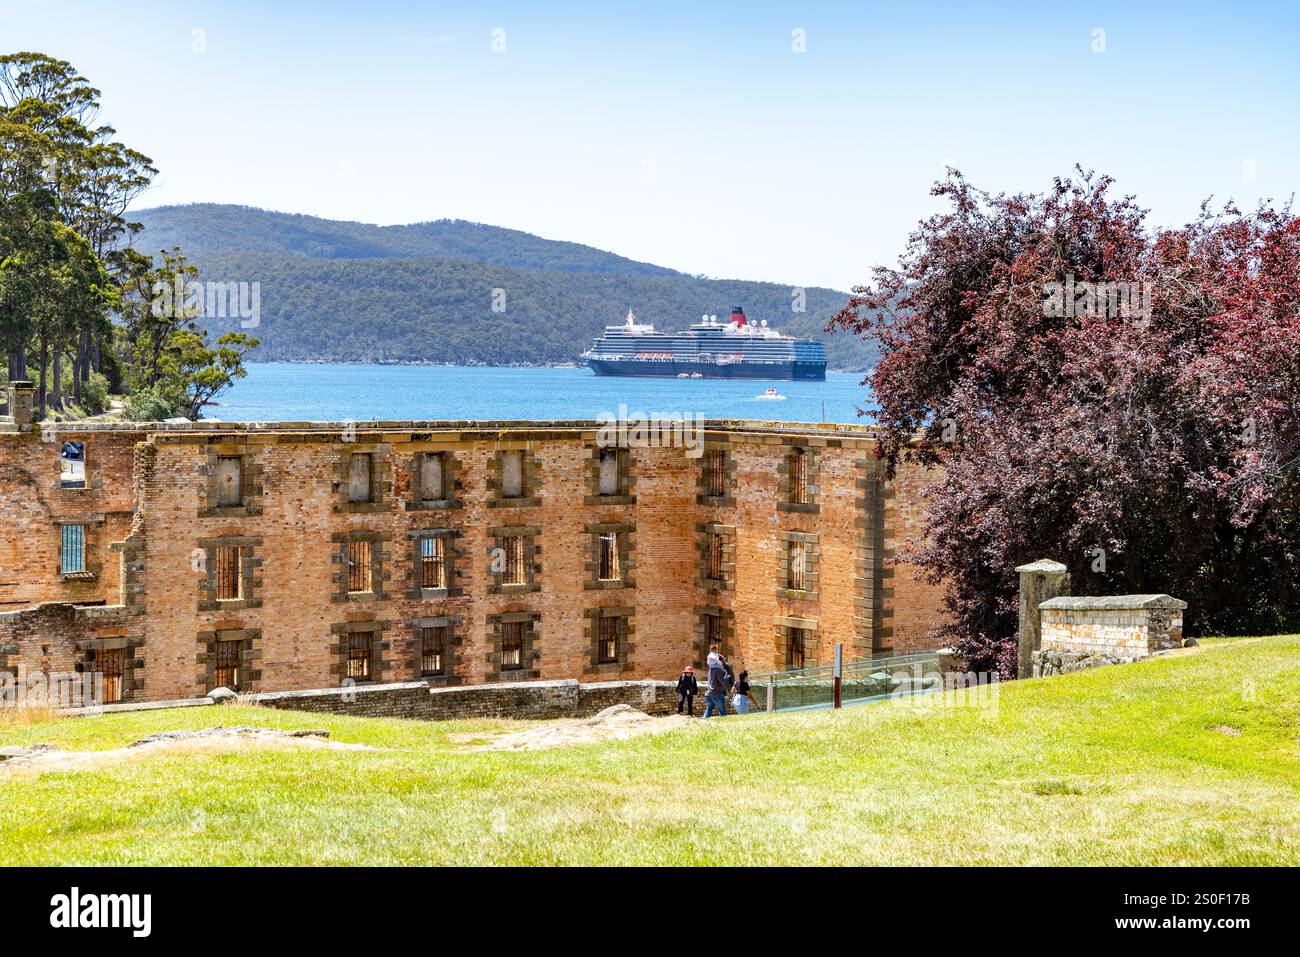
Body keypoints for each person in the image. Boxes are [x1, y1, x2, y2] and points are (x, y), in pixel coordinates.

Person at [703, 643, 728, 718]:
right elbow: (721, 681)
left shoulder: (710, 670)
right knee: (722, 711)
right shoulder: (718, 670)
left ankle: (704, 719)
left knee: (709, 708)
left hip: (710, 692)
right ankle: (723, 723)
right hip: (717, 693)